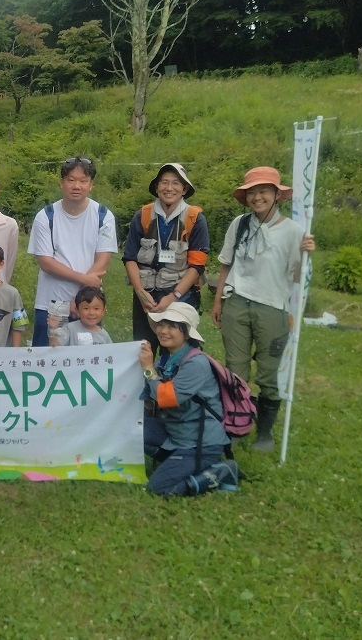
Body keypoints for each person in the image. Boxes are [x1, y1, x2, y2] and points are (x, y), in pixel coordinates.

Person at [210, 167, 316, 452]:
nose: (257, 197)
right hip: (236, 303)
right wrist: (218, 300)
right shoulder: (239, 224)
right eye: (252, 192)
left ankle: (265, 431)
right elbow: (226, 264)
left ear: (276, 195)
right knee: (235, 369)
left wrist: (305, 255)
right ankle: (236, 423)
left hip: (273, 307)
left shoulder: (294, 231)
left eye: (264, 191)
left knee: (269, 373)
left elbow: (297, 277)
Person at [139, 302, 239, 496]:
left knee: (158, 488)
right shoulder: (168, 357)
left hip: (199, 442)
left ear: (186, 334)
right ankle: (177, 461)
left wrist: (148, 369)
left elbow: (168, 398)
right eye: (162, 325)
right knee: (131, 430)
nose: (163, 331)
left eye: (172, 327)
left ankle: (223, 471)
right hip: (175, 430)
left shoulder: (196, 364)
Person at [27, 156, 118, 346]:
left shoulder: (103, 216)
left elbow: (102, 261)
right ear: (62, 182)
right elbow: (46, 263)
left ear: (91, 185)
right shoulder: (46, 216)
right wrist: (84, 280)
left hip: (89, 305)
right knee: (46, 358)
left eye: (83, 181)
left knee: (88, 360)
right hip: (51, 304)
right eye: (71, 180)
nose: (77, 186)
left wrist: (80, 300)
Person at [123, 163, 209, 355]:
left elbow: (197, 265)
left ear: (184, 189)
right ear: (156, 187)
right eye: (164, 182)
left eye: (176, 183)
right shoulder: (143, 215)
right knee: (143, 349)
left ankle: (172, 376)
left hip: (180, 296)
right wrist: (140, 292)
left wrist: (173, 297)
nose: (169, 188)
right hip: (145, 295)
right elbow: (129, 258)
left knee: (175, 351)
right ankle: (147, 376)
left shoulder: (195, 218)